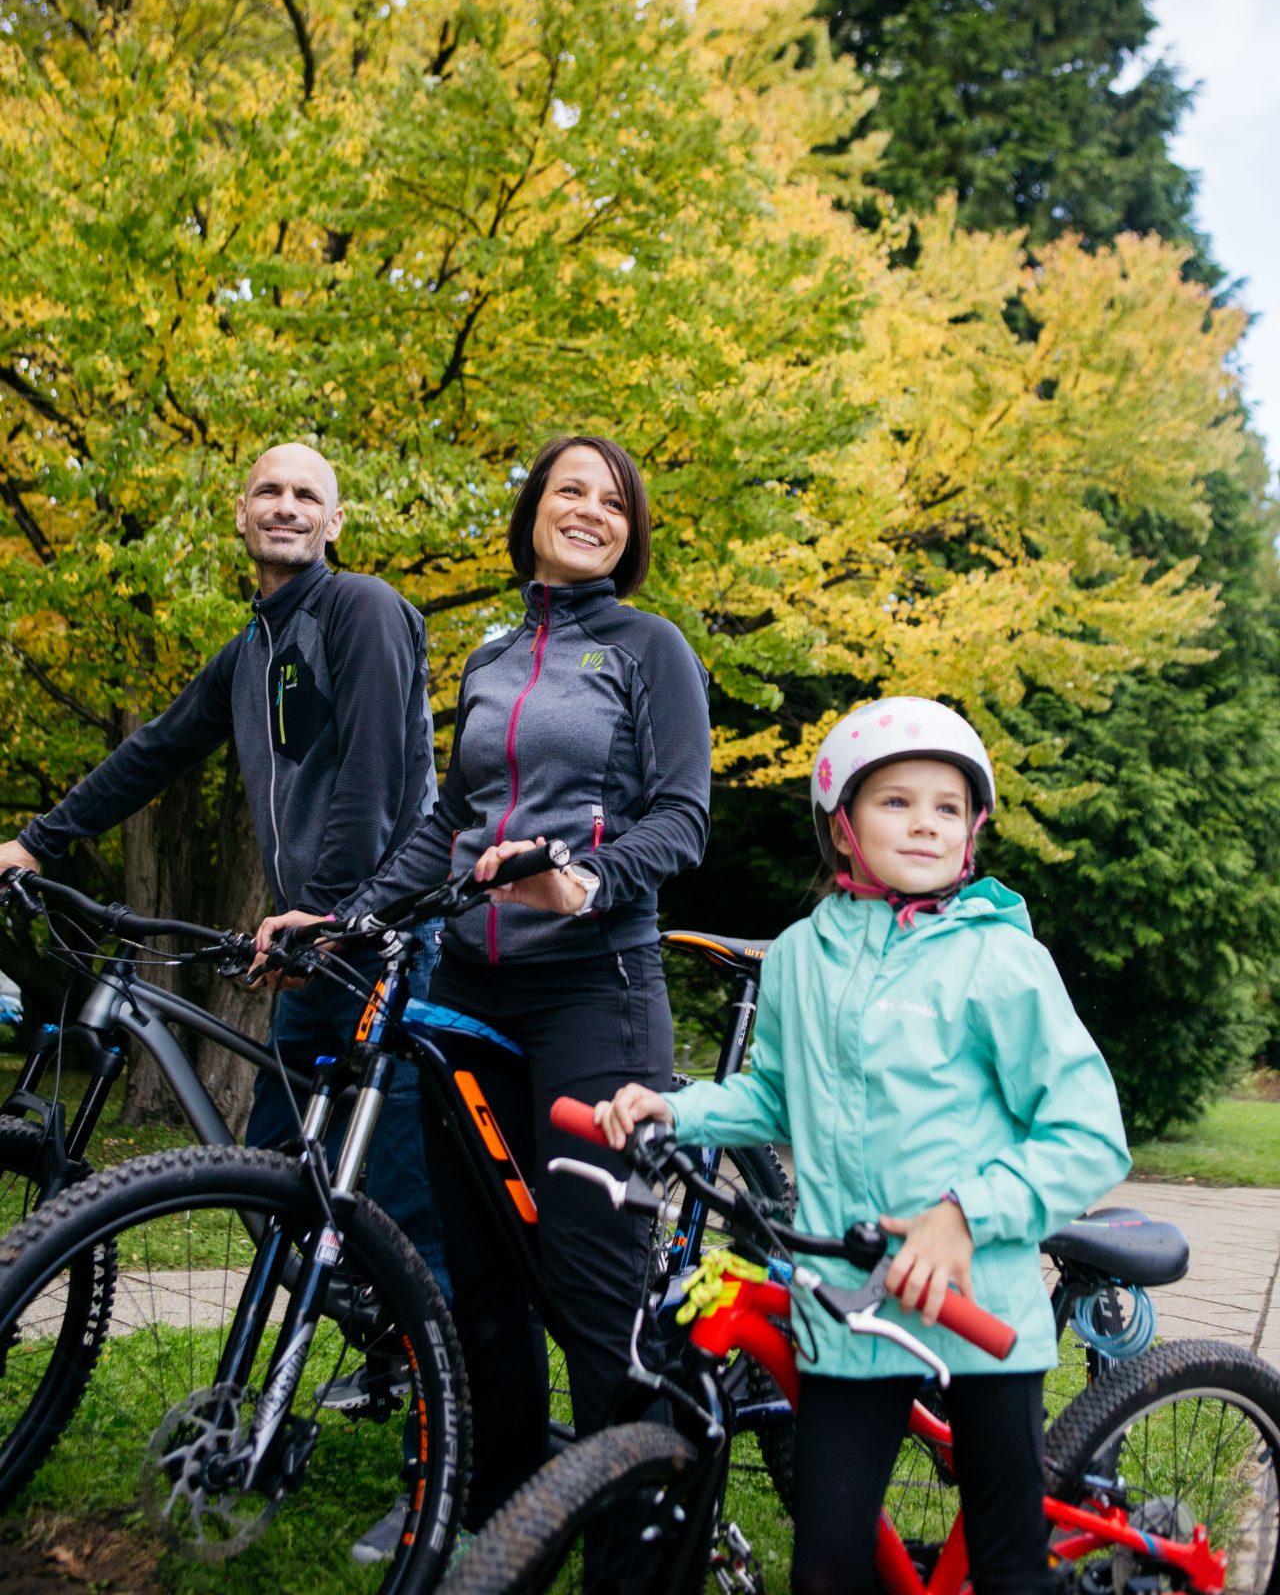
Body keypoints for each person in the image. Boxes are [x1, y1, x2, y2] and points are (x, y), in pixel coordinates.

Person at [258, 433, 712, 1559]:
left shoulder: (648, 649)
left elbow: (680, 816)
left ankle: (637, 1539)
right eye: (571, 491)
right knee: (475, 1283)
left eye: (612, 501)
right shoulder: (495, 654)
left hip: (592, 991)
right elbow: (446, 828)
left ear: (629, 528)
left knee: (596, 1287)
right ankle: (491, 1503)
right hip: (467, 987)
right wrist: (349, 916)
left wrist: (585, 879)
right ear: (534, 511)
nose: (591, 512)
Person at [598, 695, 1131, 1595]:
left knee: (1006, 1564)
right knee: (828, 1566)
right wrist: (675, 1111)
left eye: (947, 807)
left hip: (977, 1307)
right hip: (848, 1308)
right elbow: (776, 1092)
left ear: (972, 833)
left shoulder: (999, 958)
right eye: (896, 801)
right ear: (843, 828)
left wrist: (964, 1216)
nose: (925, 822)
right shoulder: (801, 955)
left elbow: (1088, 1131)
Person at [0, 441, 450, 1324]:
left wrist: (326, 914)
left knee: (401, 1186)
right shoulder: (250, 651)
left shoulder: (364, 611)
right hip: (314, 944)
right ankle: (372, 1326)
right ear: (242, 514)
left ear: (334, 521)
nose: (286, 505)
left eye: (306, 495)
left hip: (387, 942)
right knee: (274, 1161)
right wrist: (37, 842)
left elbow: (370, 780)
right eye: (268, 492)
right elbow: (156, 751)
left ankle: (441, 1392)